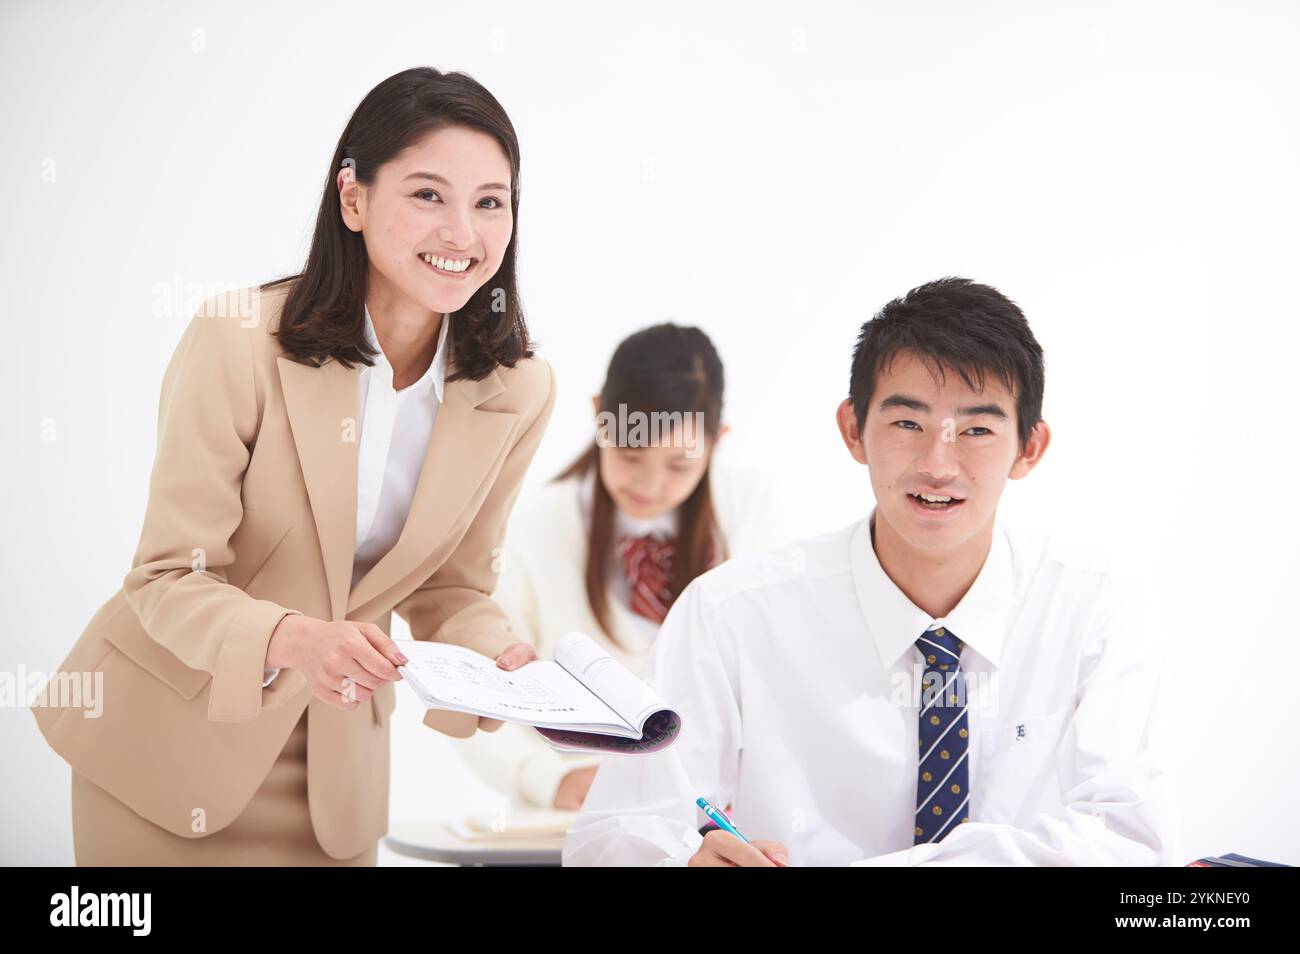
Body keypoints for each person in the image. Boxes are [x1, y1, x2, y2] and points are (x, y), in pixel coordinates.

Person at [30, 67, 554, 865]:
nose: (462, 232)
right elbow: (168, 576)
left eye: (490, 201)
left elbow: (452, 588)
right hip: (167, 750)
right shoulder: (239, 341)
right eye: (426, 195)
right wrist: (293, 638)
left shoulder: (517, 389)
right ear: (352, 198)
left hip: (336, 781)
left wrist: (503, 654)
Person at [563, 277, 1181, 866]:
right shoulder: (730, 614)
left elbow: (1130, 842)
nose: (938, 465)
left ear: (1029, 448)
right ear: (853, 430)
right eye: (907, 423)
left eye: (977, 429)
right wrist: (680, 860)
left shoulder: (1093, 609)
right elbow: (612, 833)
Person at [453, 323, 788, 810]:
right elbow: (478, 690)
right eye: (631, 456)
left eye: (679, 465)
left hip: (713, 821)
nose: (650, 485)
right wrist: (550, 780)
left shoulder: (750, 506)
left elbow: (772, 673)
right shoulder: (529, 528)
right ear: (598, 418)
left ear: (719, 442)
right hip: (568, 828)